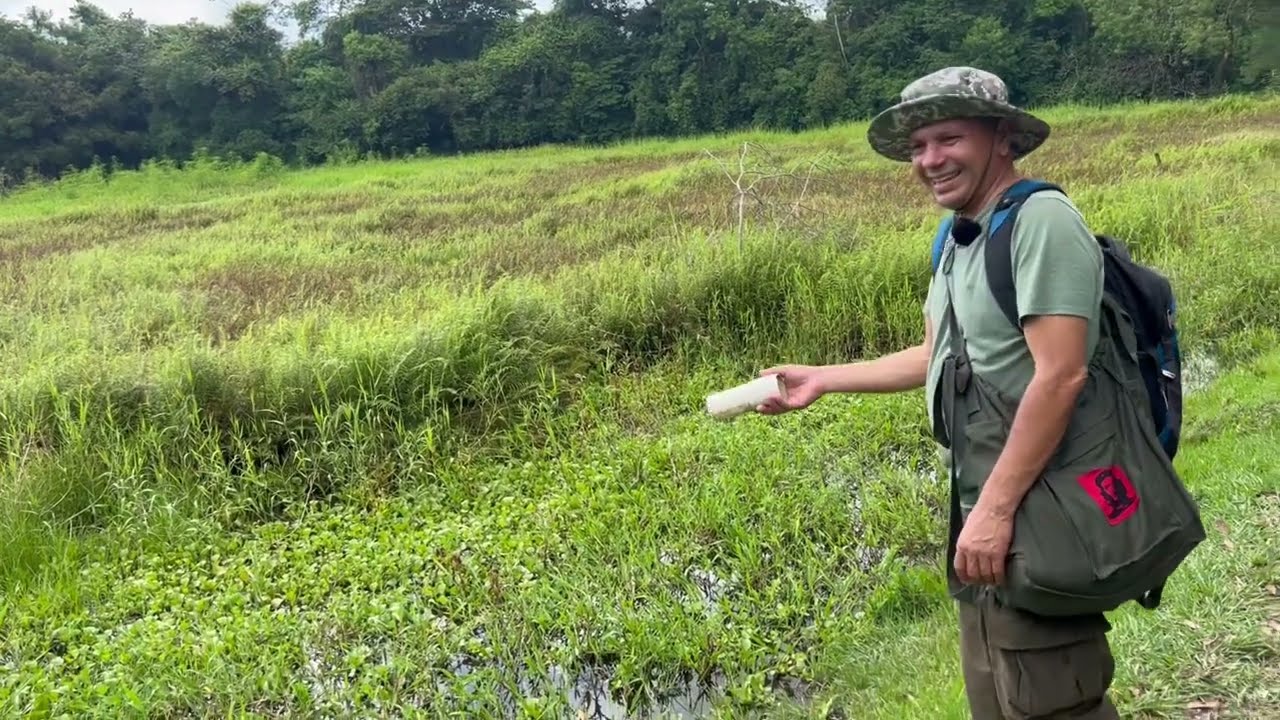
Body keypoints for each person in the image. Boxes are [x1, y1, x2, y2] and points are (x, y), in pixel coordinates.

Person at [756, 67, 1121, 719]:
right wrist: (820, 379)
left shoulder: (1042, 222)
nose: (929, 160)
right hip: (982, 505)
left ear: (1002, 137)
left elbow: (1061, 374)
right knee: (998, 694)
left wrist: (996, 510)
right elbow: (937, 356)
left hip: (1042, 508)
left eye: (948, 138)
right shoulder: (957, 242)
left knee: (1053, 698)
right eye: (919, 146)